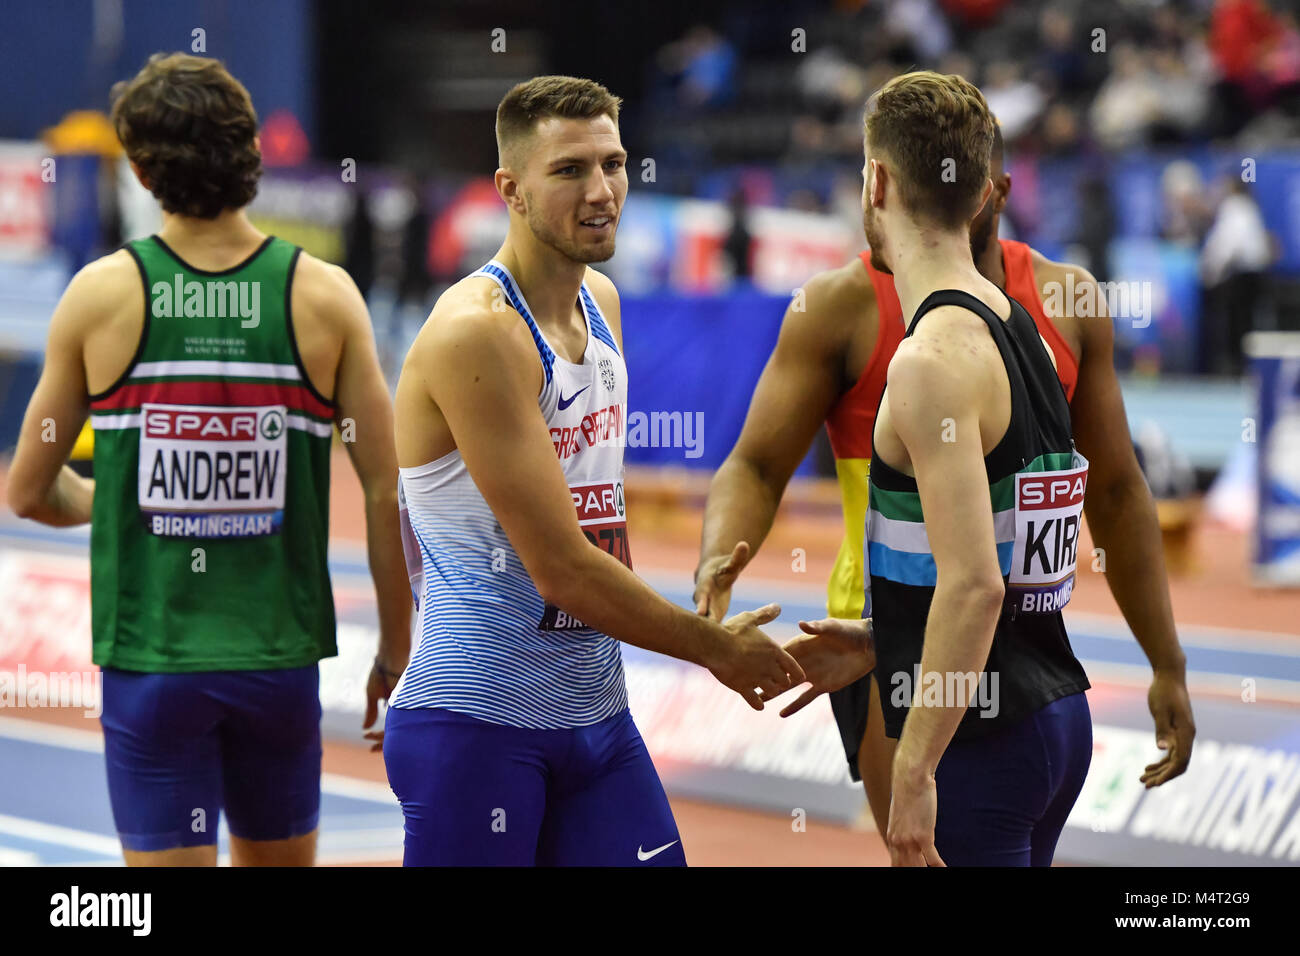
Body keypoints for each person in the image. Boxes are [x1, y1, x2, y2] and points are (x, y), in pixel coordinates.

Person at [696, 116, 1194, 843]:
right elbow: (756, 463)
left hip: (1017, 647)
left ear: (996, 192)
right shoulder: (842, 307)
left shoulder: (1065, 303)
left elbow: (1115, 492)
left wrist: (1167, 662)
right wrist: (718, 556)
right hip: (882, 642)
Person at [381, 75, 802, 867]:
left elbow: (592, 515)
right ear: (510, 189)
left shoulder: (600, 300)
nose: (603, 190)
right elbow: (563, 570)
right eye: (570, 170)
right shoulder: (477, 335)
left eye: (614, 164)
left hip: (597, 717)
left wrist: (706, 570)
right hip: (478, 725)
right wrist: (713, 646)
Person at [6, 53, 412, 866]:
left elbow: (27, 487)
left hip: (154, 666)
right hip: (279, 664)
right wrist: (397, 648)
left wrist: (119, 496)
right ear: (251, 150)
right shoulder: (325, 297)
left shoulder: (101, 295)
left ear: (145, 170)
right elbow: (383, 490)